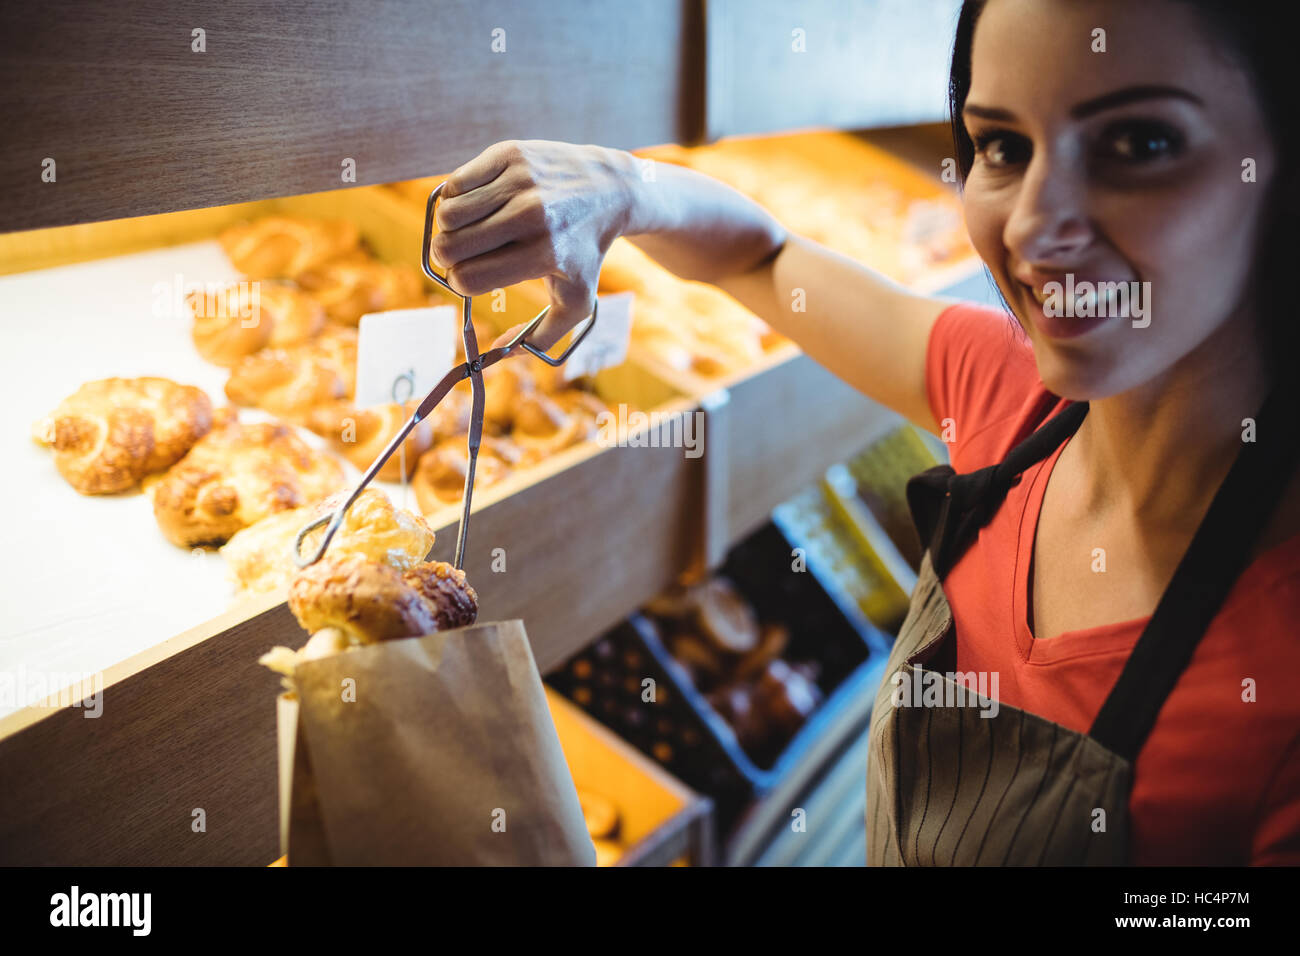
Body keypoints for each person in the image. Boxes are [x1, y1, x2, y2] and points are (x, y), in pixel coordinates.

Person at [425, 0, 1299, 865]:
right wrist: (623, 188)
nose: (1034, 226)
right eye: (1001, 145)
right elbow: (759, 259)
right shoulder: (1018, 399)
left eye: (1138, 144)